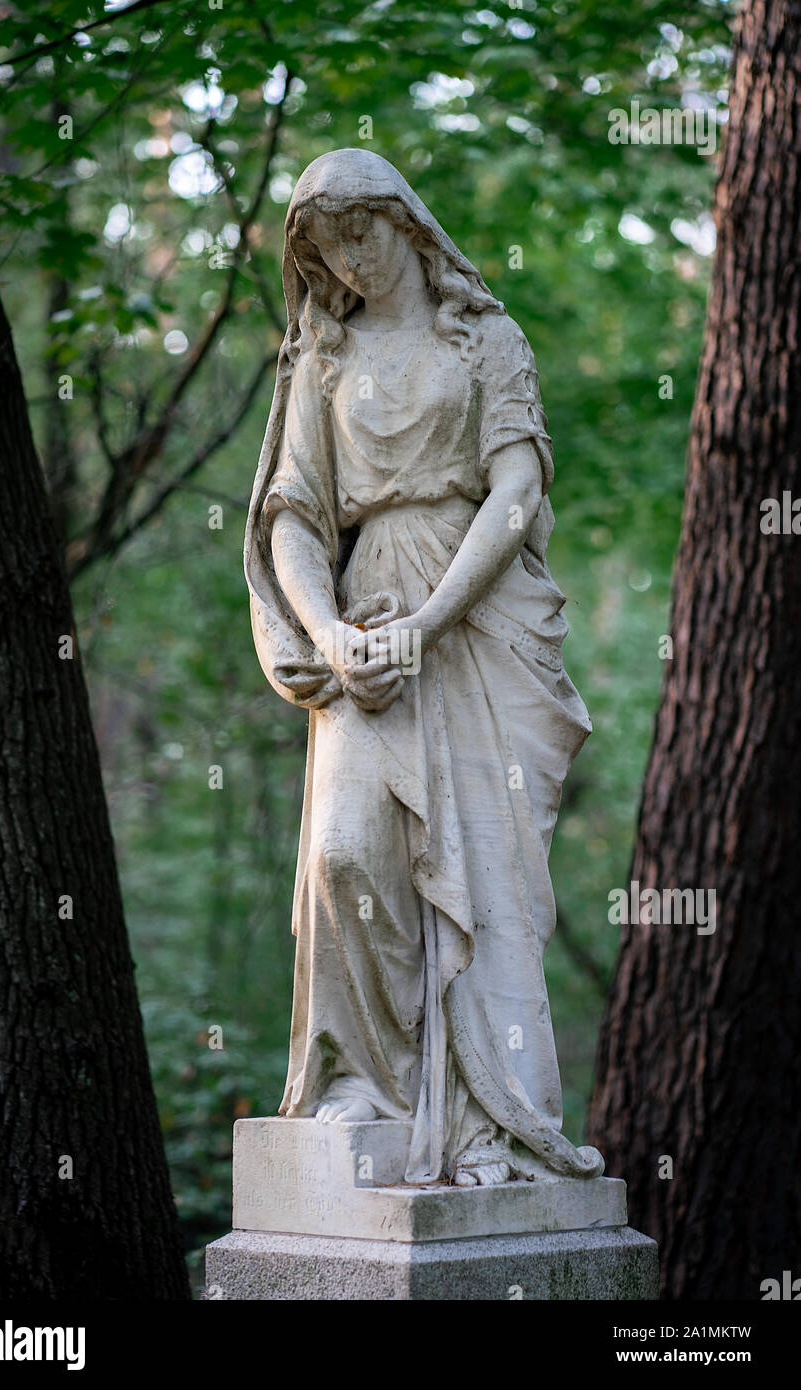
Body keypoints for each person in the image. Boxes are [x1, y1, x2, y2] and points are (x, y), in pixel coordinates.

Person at [244, 148, 603, 1187]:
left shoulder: (485, 337)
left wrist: (431, 623)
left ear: (406, 220)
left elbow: (516, 492)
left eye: (361, 229)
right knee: (346, 855)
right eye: (325, 245)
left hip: (478, 619)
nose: (348, 259)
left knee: (484, 878)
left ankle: (491, 1121)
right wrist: (336, 633)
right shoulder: (320, 356)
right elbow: (291, 520)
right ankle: (366, 1086)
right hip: (366, 624)